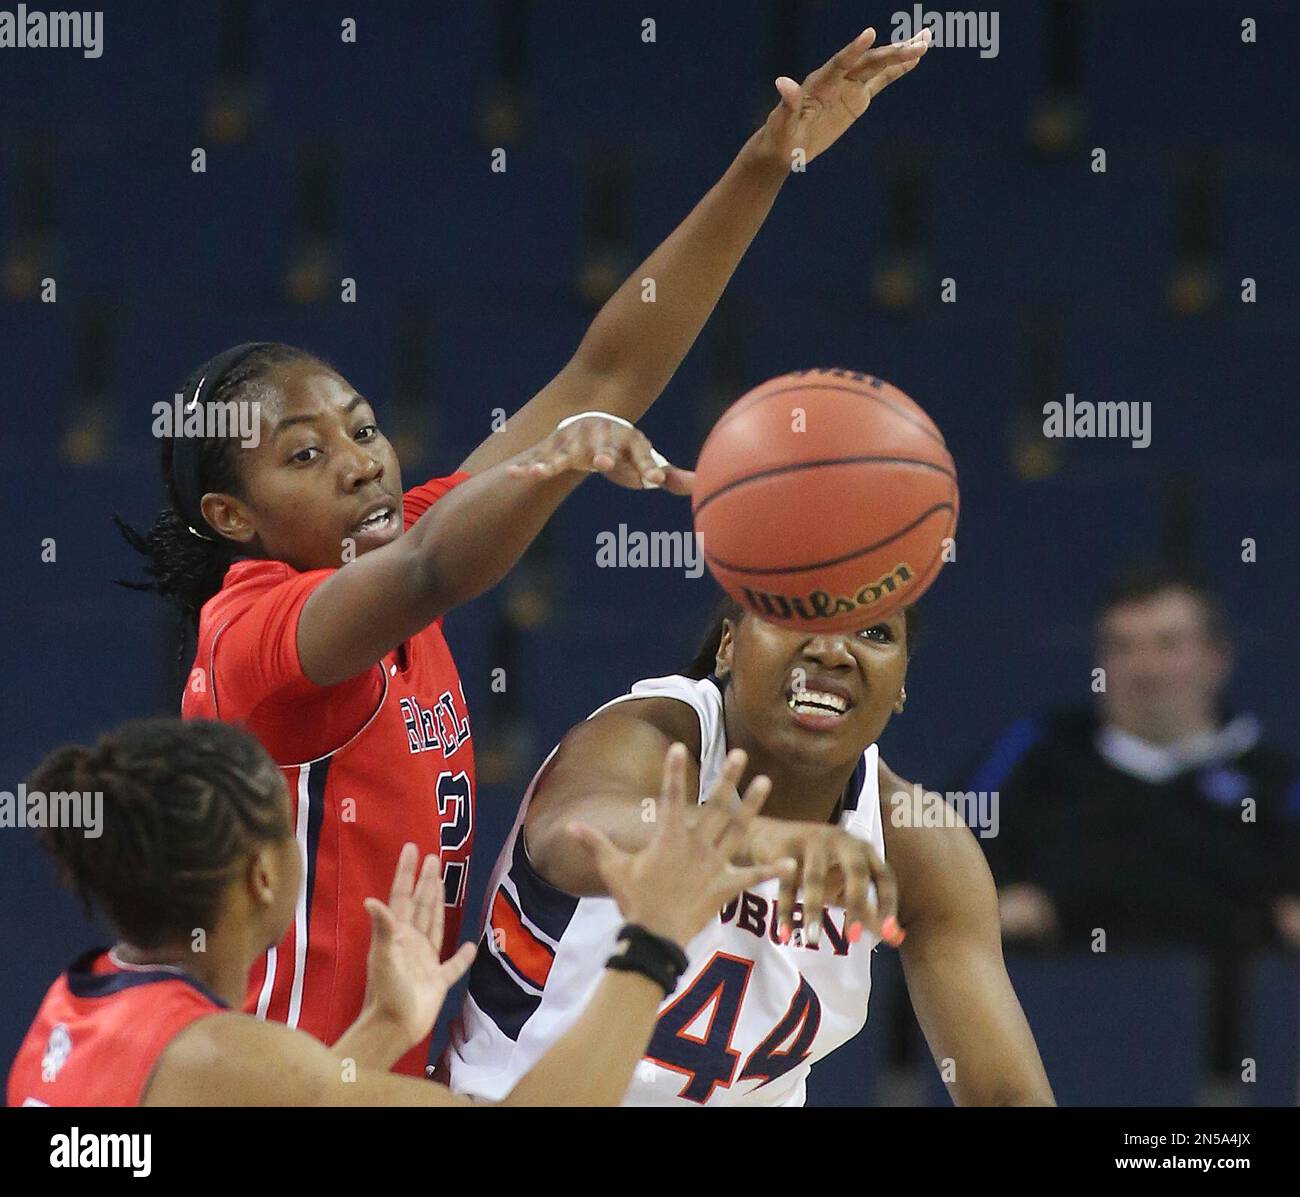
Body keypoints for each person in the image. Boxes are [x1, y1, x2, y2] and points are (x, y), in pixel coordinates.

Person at [115, 26, 931, 1077]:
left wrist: (768, 160)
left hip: (382, 1073)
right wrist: (547, 465)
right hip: (274, 1078)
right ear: (234, 518)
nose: (361, 465)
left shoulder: (411, 531)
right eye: (305, 456)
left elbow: (604, 376)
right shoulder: (252, 629)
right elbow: (433, 572)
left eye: (364, 430)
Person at [447, 597, 1054, 1106]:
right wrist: (763, 840)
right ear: (729, 645)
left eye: (873, 632)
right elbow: (569, 837)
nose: (833, 650)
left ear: (901, 685)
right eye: (798, 614)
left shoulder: (917, 843)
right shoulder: (655, 735)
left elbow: (1008, 1097)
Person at [8, 718, 793, 1106]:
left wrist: (387, 1022)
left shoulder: (75, 1007)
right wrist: (651, 941)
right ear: (262, 875)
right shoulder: (212, 1056)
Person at [969, 562, 1300, 1072]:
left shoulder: (1276, 780)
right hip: (1050, 1037)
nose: (1144, 668)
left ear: (1217, 658)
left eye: (1168, 645)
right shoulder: (1033, 759)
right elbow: (943, 870)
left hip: (1238, 1065)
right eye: (1122, 648)